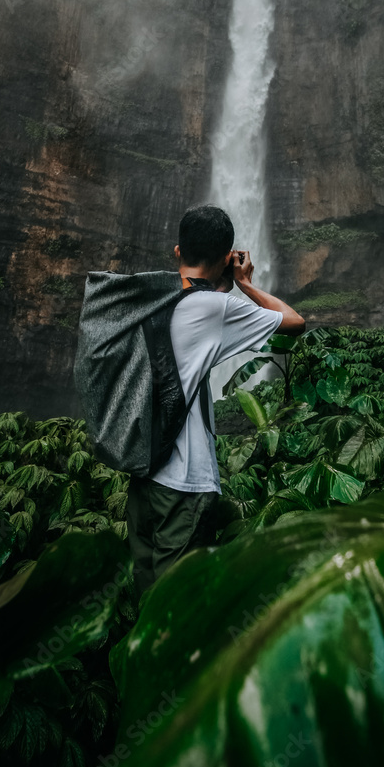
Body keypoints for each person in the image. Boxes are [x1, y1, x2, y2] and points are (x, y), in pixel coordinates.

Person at [126, 204, 305, 601]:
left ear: (177, 252)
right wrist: (244, 282)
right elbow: (294, 323)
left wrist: (222, 282)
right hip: (183, 483)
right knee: (176, 608)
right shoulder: (216, 308)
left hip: (142, 475)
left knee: (146, 599)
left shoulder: (146, 297)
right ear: (226, 256)